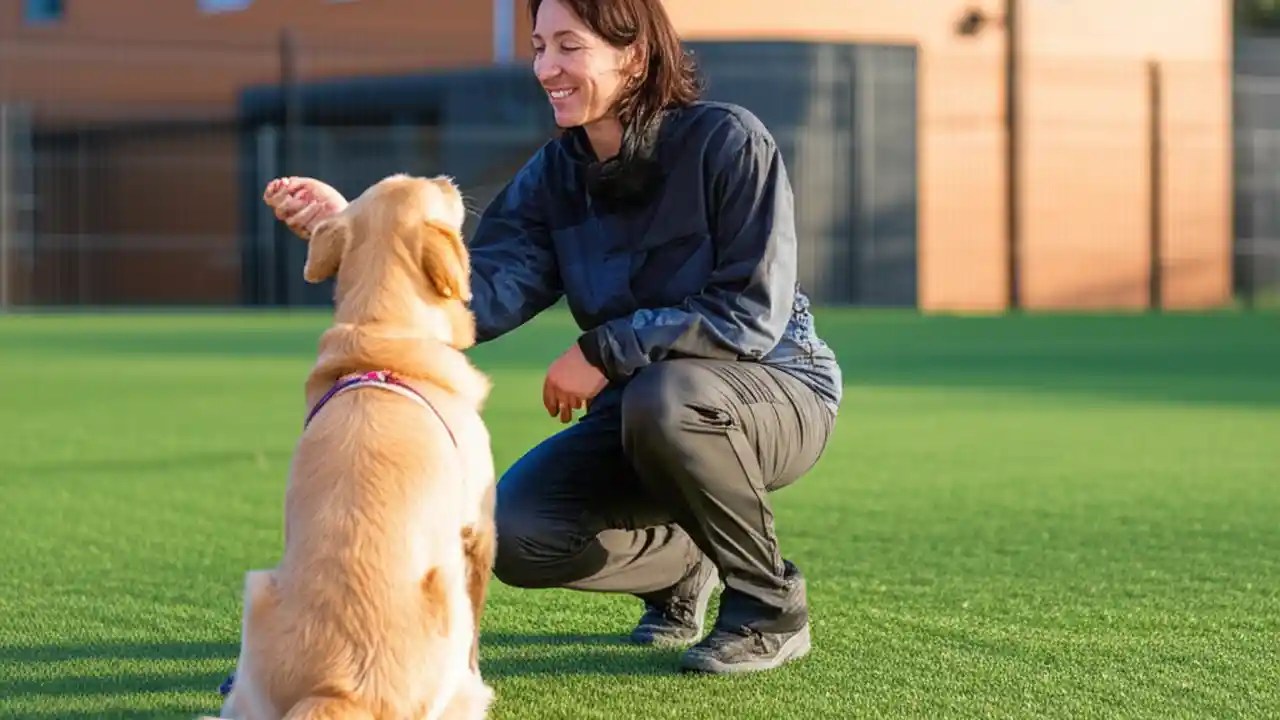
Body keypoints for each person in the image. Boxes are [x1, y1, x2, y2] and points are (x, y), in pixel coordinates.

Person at [264, 0, 841, 675]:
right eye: (539, 47)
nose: (547, 68)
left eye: (569, 46)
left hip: (774, 389)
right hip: (641, 411)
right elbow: (474, 298)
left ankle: (770, 605)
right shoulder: (551, 178)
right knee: (518, 534)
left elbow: (750, 311)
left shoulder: (729, 141)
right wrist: (359, 234)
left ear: (635, 53)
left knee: (667, 399)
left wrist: (605, 349)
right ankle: (685, 560)